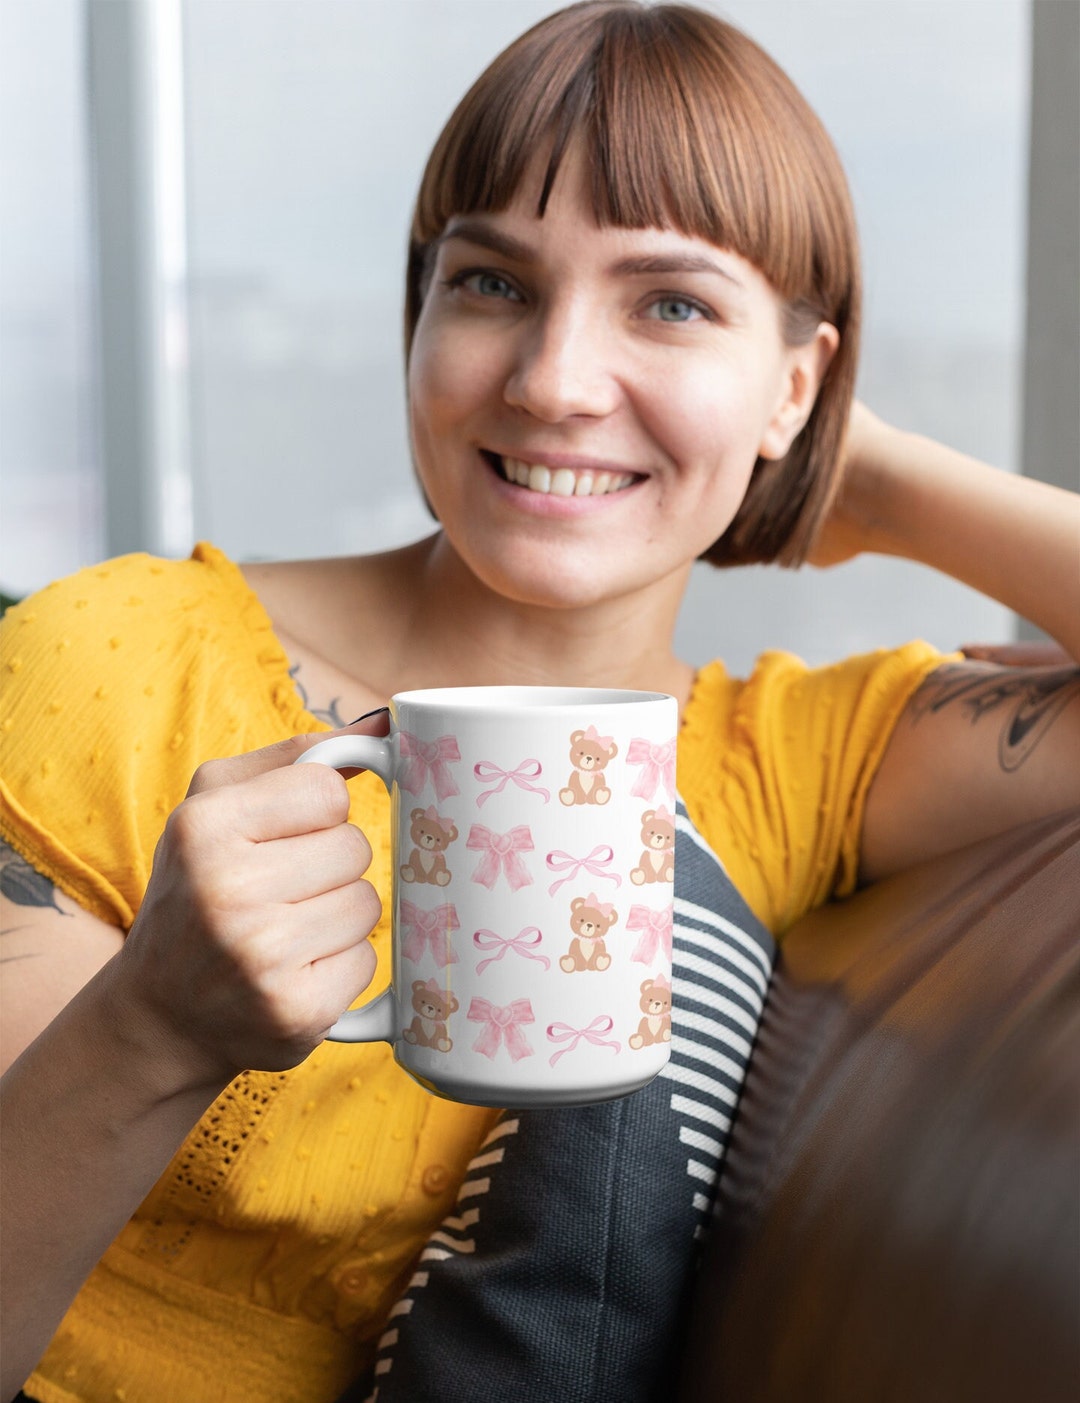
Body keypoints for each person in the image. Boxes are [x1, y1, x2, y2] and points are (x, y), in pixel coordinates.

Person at [1, 3, 1077, 1401]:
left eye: (674, 304)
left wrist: (870, 480)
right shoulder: (112, 658)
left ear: (795, 383)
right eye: (493, 284)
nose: (555, 381)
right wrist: (151, 1024)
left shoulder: (793, 763)